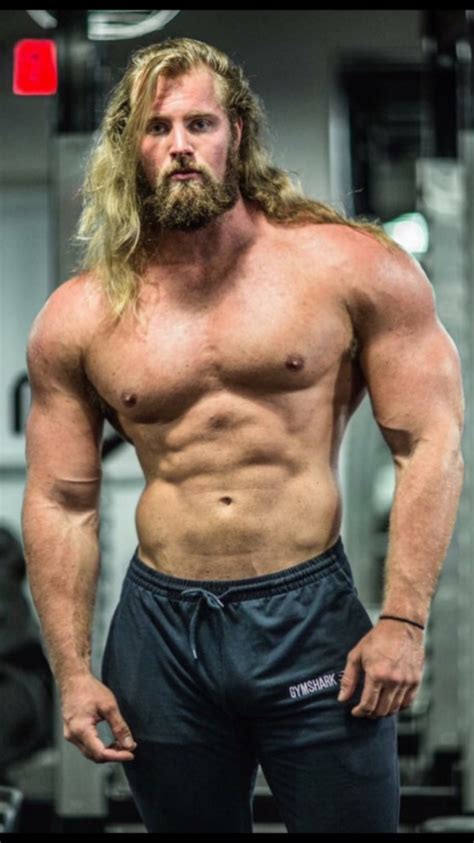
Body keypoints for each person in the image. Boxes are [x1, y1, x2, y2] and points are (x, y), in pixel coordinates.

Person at [21, 37, 465, 833]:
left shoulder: (350, 268)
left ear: (239, 134)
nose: (179, 145)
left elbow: (429, 442)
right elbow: (60, 501)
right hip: (160, 631)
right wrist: (74, 672)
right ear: (130, 151)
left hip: (309, 615)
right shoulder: (81, 314)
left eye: (200, 123)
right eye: (157, 128)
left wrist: (403, 620)